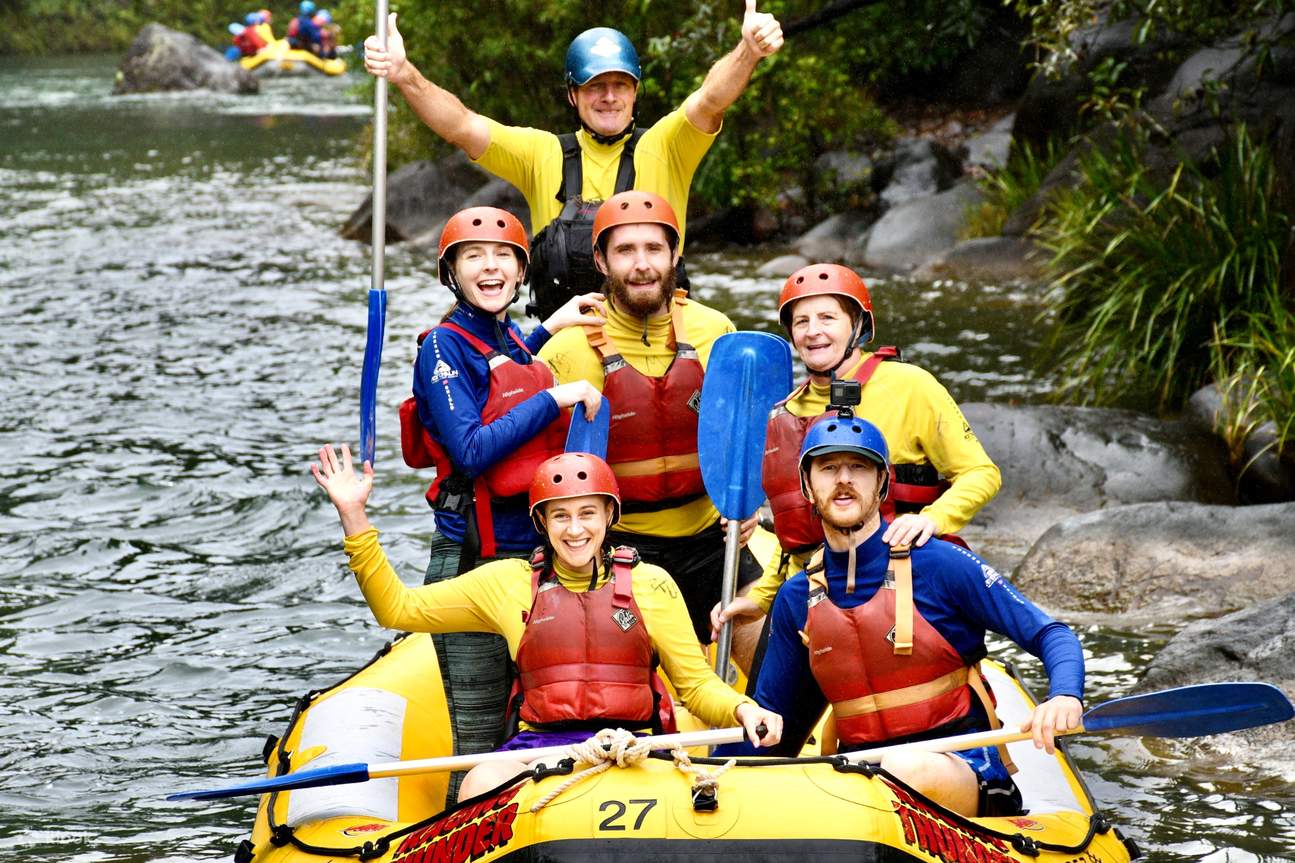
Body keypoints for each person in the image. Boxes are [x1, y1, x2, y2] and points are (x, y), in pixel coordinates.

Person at [311, 446, 783, 800]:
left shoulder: (651, 584)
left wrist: (745, 710)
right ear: (542, 522)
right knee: (479, 782)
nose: (574, 529)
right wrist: (353, 514)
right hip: (540, 748)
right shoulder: (508, 583)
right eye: (560, 516)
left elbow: (696, 686)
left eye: (586, 514)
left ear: (609, 516)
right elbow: (398, 609)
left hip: (633, 746)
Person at [714, 415, 1083, 818]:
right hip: (856, 780)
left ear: (882, 483)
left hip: (962, 771)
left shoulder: (939, 564)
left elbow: (1051, 633)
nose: (844, 480)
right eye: (828, 468)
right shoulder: (797, 597)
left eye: (858, 467)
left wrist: (1064, 694)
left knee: (901, 769)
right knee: (856, 781)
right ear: (807, 485)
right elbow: (773, 727)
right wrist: (708, 775)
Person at [362, 3, 783, 319]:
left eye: (620, 85)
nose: (609, 97)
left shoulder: (668, 145)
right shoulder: (541, 153)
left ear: (636, 93)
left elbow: (711, 98)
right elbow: (462, 126)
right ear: (572, 95)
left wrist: (748, 50)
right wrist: (404, 75)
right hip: (566, 334)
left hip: (655, 329)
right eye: (594, 86)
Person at [397, 206, 606, 797]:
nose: (490, 268)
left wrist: (550, 327)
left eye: (504, 258)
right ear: (452, 274)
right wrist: (558, 396)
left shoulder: (510, 336)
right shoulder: (440, 346)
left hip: (534, 557)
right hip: (474, 561)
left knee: (537, 722)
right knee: (481, 738)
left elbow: (506, 371)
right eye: (473, 258)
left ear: (520, 274)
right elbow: (469, 448)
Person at [711, 263, 1002, 669]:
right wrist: (758, 599)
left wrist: (933, 519)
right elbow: (798, 535)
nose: (813, 331)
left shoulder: (910, 386)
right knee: (768, 712)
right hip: (812, 591)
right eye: (801, 321)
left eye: (827, 318)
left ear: (858, 325)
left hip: (901, 579)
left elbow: (981, 473)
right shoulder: (784, 413)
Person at [538, 191, 763, 645]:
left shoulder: (715, 331)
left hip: (710, 543)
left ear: (675, 255)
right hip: (617, 547)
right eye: (625, 251)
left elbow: (750, 433)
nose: (642, 265)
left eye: (654, 249)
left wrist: (751, 500)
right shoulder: (566, 348)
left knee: (772, 657)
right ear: (601, 261)